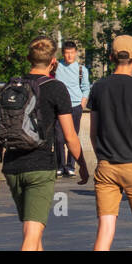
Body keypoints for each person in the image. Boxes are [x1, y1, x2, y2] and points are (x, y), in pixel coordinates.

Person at [0, 36, 87, 251]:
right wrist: (83, 165)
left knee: (33, 231)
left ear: (27, 58)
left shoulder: (11, 85)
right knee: (32, 235)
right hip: (40, 168)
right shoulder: (56, 88)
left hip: (12, 168)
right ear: (53, 61)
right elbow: (70, 136)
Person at [88, 35, 132, 251]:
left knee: (106, 228)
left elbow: (93, 132)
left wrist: (102, 156)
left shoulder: (99, 87)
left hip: (106, 166)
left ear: (111, 57)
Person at [53, 41, 90, 177]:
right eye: (67, 53)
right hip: (59, 106)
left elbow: (86, 88)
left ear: (75, 53)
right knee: (58, 137)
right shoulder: (56, 66)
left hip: (75, 106)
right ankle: (59, 165)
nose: (69, 56)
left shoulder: (81, 70)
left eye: (72, 53)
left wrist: (82, 104)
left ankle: (70, 166)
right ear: (63, 53)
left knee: (73, 136)